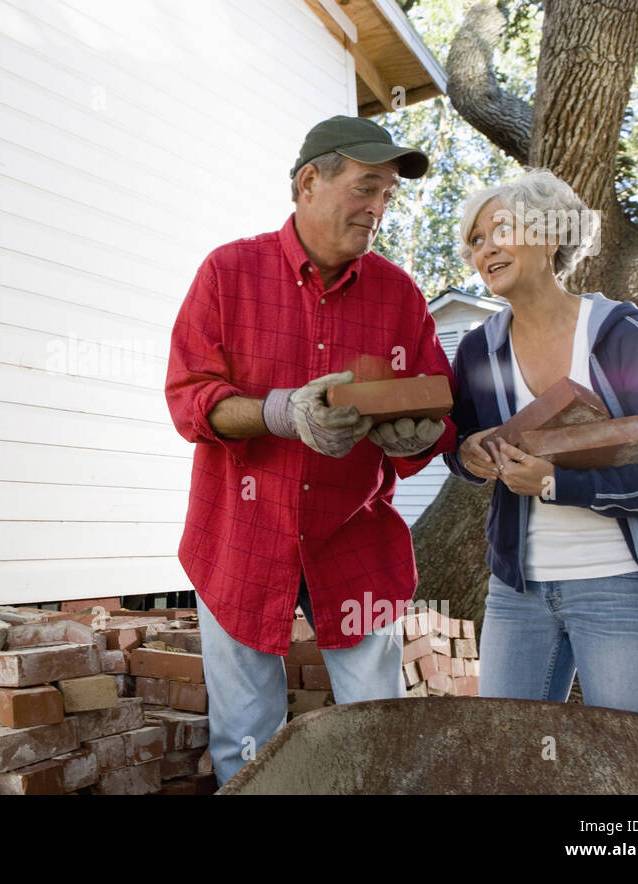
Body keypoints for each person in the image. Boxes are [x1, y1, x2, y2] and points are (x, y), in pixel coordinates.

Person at [164, 115, 458, 786]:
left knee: (380, 731)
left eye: (388, 195)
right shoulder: (227, 272)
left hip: (354, 541)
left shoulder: (399, 294)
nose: (378, 208)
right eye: (366, 188)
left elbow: (436, 412)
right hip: (241, 538)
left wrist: (418, 432)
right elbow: (188, 398)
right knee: (245, 742)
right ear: (309, 182)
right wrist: (281, 411)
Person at [444, 168, 638, 719]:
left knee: (627, 769)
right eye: (475, 240)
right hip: (517, 593)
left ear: (547, 236)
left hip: (623, 588)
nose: (484, 248)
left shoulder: (621, 334)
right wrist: (469, 452)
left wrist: (556, 483)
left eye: (499, 230)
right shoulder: (479, 350)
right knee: (508, 758)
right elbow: (459, 446)